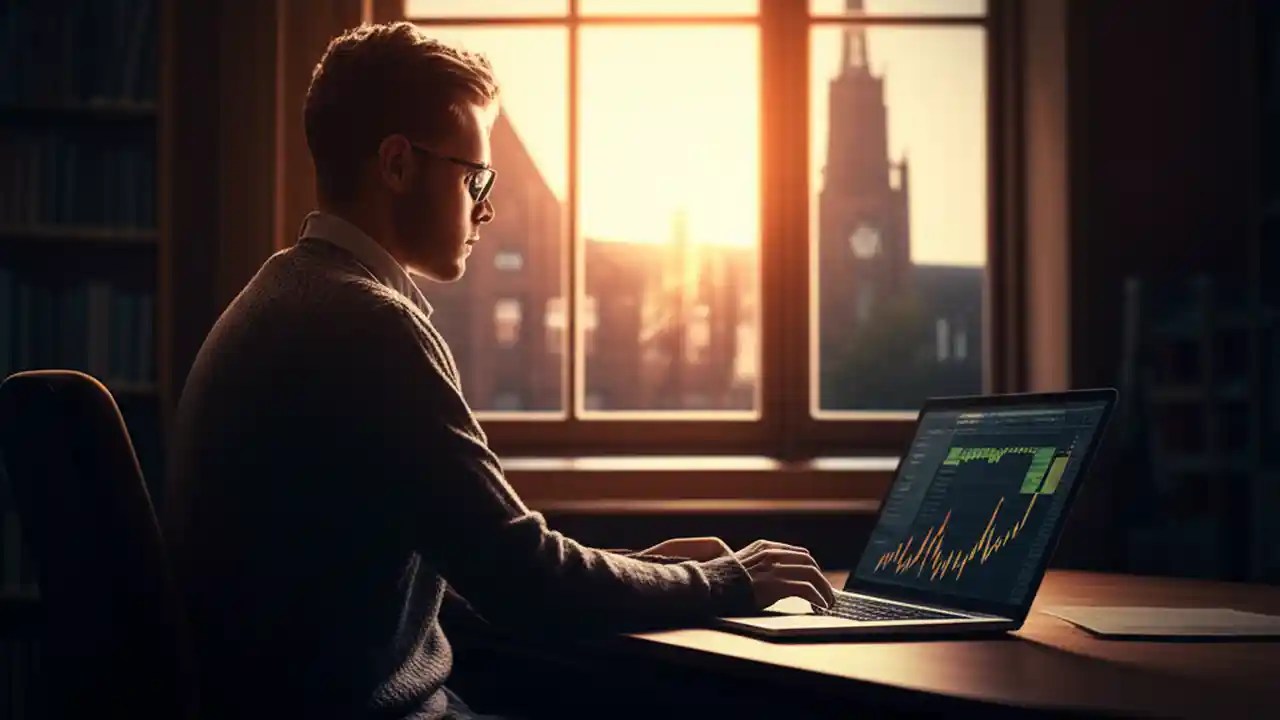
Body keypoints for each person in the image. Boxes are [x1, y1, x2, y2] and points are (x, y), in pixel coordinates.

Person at [164, 21, 835, 720]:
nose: (487, 207)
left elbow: (467, 572)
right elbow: (526, 582)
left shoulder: (285, 293)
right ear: (396, 165)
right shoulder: (368, 327)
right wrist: (720, 579)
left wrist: (653, 573)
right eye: (474, 176)